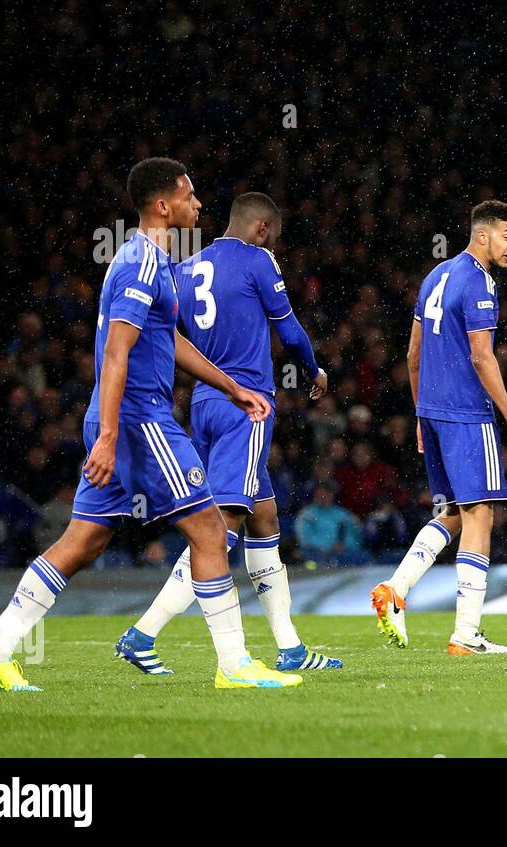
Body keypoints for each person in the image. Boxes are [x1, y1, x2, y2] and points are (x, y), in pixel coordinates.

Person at [0, 158, 300, 690]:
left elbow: (169, 341)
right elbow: (117, 354)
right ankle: (235, 666)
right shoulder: (143, 262)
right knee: (211, 531)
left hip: (121, 418)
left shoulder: (152, 263)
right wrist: (110, 436)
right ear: (163, 205)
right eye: (190, 196)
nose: (199, 205)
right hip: (139, 420)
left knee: (84, 540)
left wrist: (232, 387)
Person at [116, 192, 339, 674]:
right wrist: (314, 370)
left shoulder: (187, 267)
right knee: (218, 530)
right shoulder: (259, 261)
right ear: (261, 230)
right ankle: (143, 632)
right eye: (273, 238)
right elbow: (292, 331)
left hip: (204, 403)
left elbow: (163, 332)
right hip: (247, 404)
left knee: (264, 519)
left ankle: (291, 647)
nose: (274, 247)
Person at [369, 201, 507, 653]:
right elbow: (482, 356)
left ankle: (396, 589)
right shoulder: (479, 281)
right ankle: (465, 633)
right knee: (483, 517)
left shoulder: (434, 276)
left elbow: (413, 356)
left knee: (456, 513)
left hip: (436, 413)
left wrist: (421, 414)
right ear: (483, 235)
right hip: (466, 414)